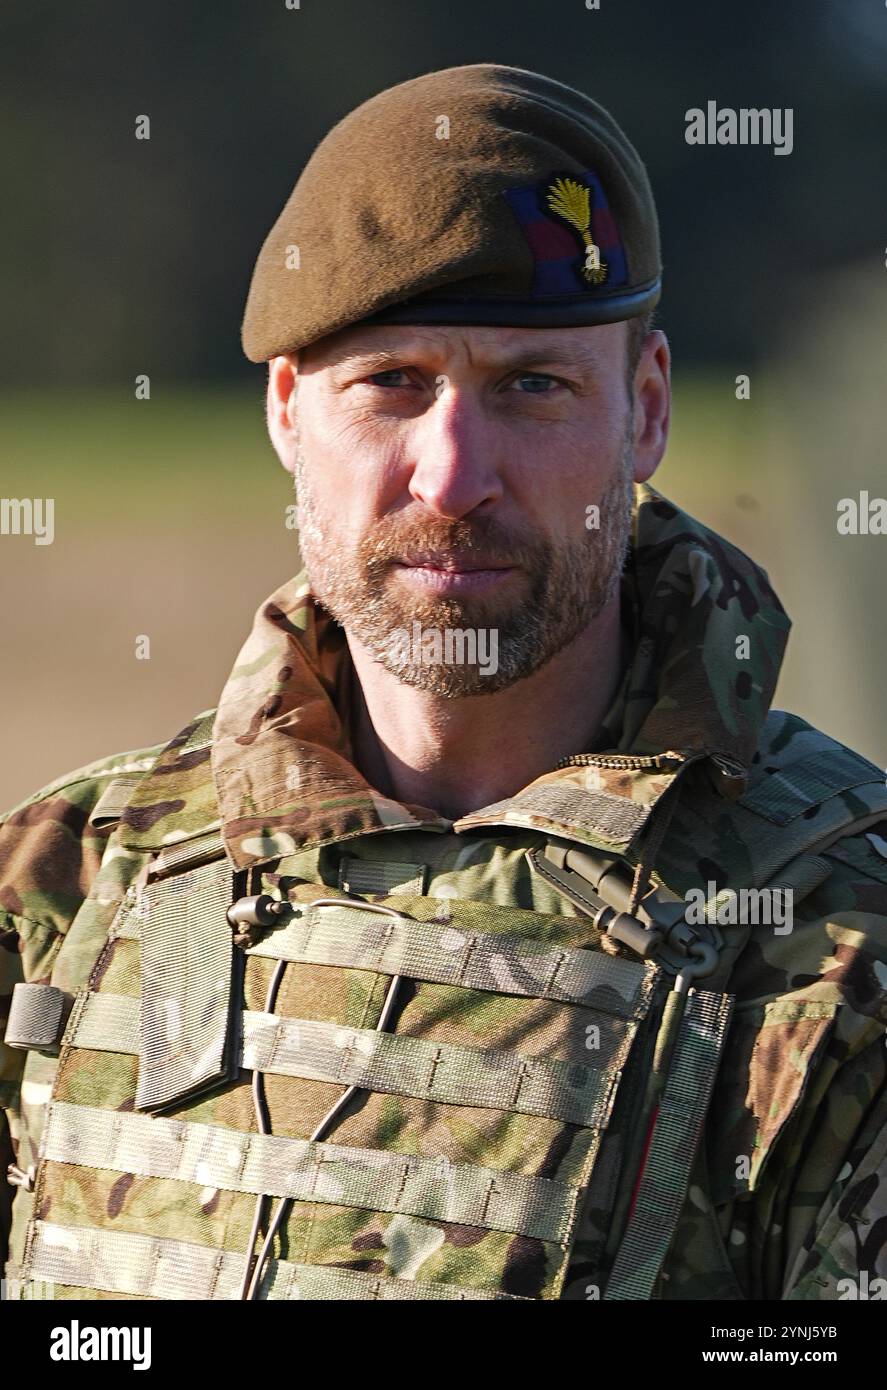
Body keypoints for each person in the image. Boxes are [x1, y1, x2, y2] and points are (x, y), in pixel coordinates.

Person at [2, 63, 886, 1303]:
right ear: (288, 413)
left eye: (531, 386)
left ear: (642, 412)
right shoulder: (63, 886)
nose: (453, 475)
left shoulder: (837, 940)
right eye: (392, 382)